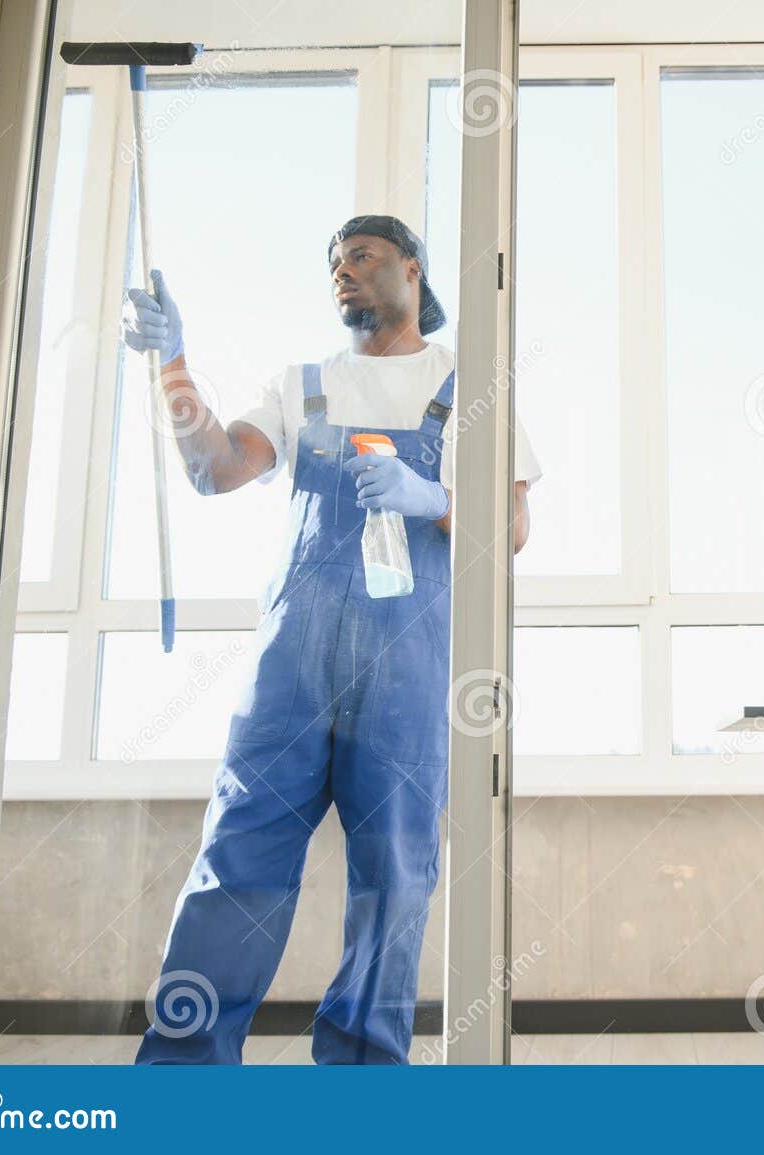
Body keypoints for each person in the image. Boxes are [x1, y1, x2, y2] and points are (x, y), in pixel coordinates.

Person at [120, 215, 541, 1064]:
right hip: (291, 668)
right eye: (334, 263)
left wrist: (431, 498)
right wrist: (173, 364)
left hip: (407, 667)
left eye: (362, 257)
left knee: (394, 876)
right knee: (237, 857)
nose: (343, 273)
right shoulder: (302, 383)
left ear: (412, 272)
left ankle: (359, 1081)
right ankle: (180, 1081)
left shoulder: (470, 386)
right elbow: (214, 469)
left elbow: (517, 525)